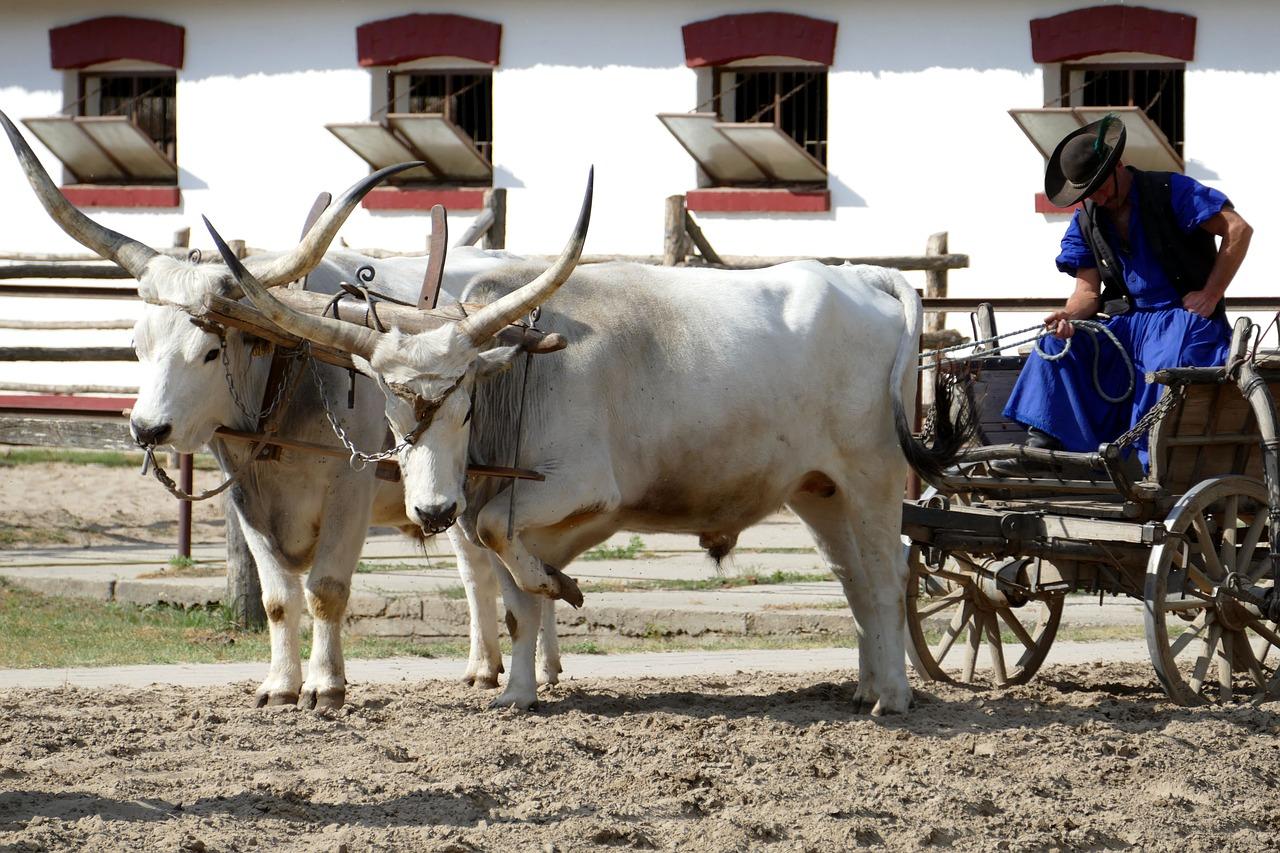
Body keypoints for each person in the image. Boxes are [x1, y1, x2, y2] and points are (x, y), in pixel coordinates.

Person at [999, 113, 1253, 470]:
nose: (1099, 197)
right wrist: (1067, 316)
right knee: (1055, 346)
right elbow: (1087, 294)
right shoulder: (1087, 217)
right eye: (1089, 192)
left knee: (1163, 363)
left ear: (1119, 165)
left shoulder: (1170, 190)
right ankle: (1049, 446)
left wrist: (1211, 293)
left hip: (1183, 318)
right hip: (1127, 325)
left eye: (1102, 185)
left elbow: (1238, 230)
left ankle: (1153, 463)